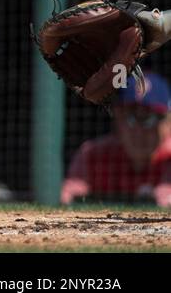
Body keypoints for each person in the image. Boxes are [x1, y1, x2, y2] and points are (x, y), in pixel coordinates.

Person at [61, 73, 171, 208]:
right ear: (117, 121)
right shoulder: (93, 155)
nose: (139, 131)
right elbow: (67, 195)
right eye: (130, 117)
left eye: (150, 119)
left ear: (168, 123)